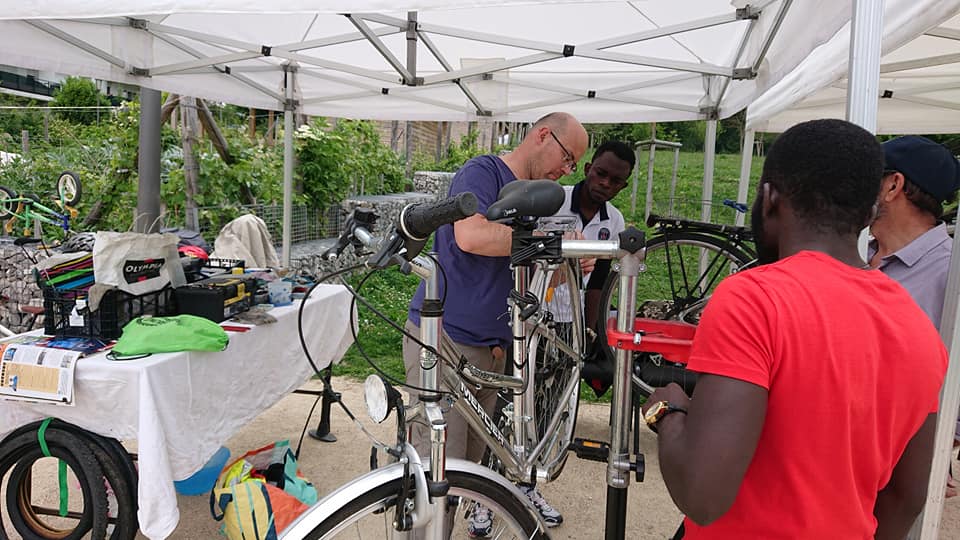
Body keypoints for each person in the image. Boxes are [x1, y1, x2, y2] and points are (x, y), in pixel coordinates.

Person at [642, 119, 948, 539]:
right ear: (867, 213)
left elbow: (702, 494)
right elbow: (908, 495)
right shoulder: (918, 328)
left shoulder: (754, 299)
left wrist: (669, 412)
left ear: (769, 199)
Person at [402, 112, 588, 535]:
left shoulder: (536, 201)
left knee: (466, 474)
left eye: (573, 165)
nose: (567, 170)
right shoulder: (482, 172)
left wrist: (567, 260)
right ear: (543, 135)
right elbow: (472, 236)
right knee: (437, 477)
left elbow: (533, 269)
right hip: (446, 343)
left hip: (493, 351)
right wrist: (549, 243)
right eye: (567, 157)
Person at [868, 135, 960, 496]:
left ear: (893, 185)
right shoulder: (865, 253)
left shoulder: (949, 272)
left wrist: (939, 451)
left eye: (867, 177)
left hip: (898, 469)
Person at [541, 140, 635, 396]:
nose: (605, 183)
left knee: (561, 389)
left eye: (616, 181)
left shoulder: (614, 220)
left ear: (623, 186)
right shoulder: (553, 200)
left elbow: (599, 280)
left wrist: (591, 329)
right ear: (587, 168)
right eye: (601, 173)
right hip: (535, 312)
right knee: (528, 385)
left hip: (570, 318)